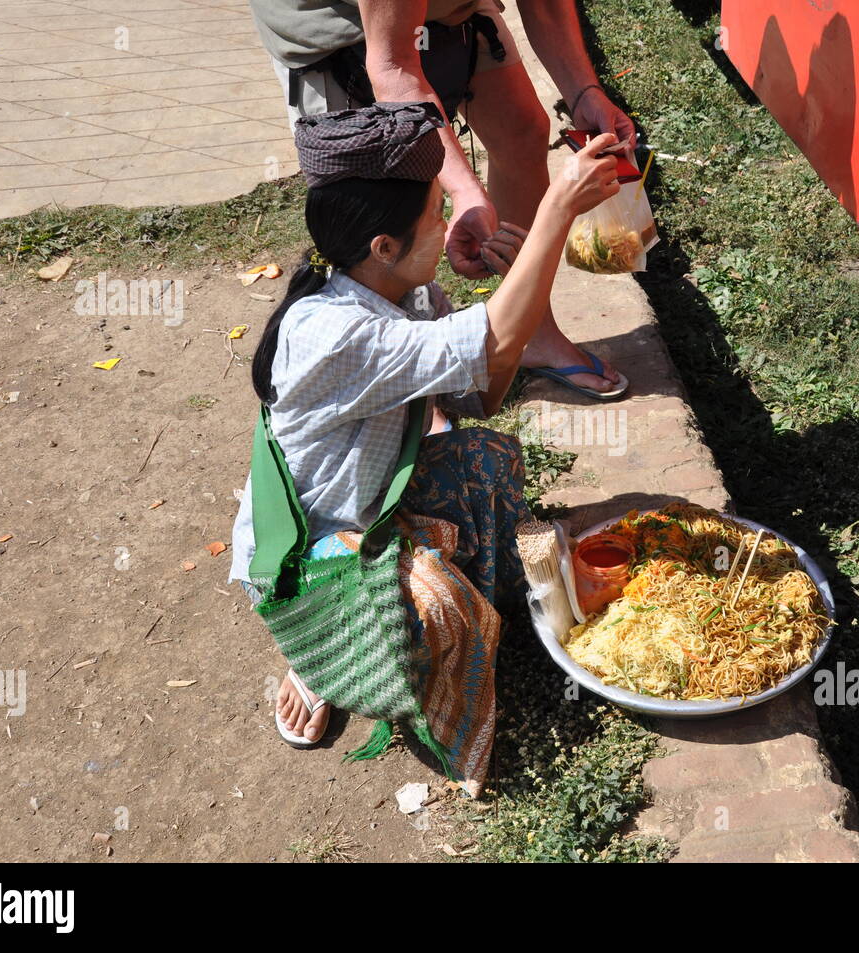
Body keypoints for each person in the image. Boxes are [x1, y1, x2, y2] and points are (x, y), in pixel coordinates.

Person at [228, 102, 621, 794]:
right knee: (438, 604)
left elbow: (483, 393)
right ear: (383, 246)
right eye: (439, 216)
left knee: (488, 457)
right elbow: (494, 341)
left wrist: (507, 281)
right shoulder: (334, 332)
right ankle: (319, 651)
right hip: (311, 554)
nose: (451, 226)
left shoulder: (399, 290)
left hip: (377, 505)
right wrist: (555, 215)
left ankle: (465, 602)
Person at [248, 0, 632, 401]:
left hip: (444, 12)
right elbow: (395, 68)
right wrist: (466, 195)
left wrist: (584, 92)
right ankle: (410, 387)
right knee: (376, 197)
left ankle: (531, 333)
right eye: (440, 218)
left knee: (522, 132)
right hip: (343, 27)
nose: (443, 223)